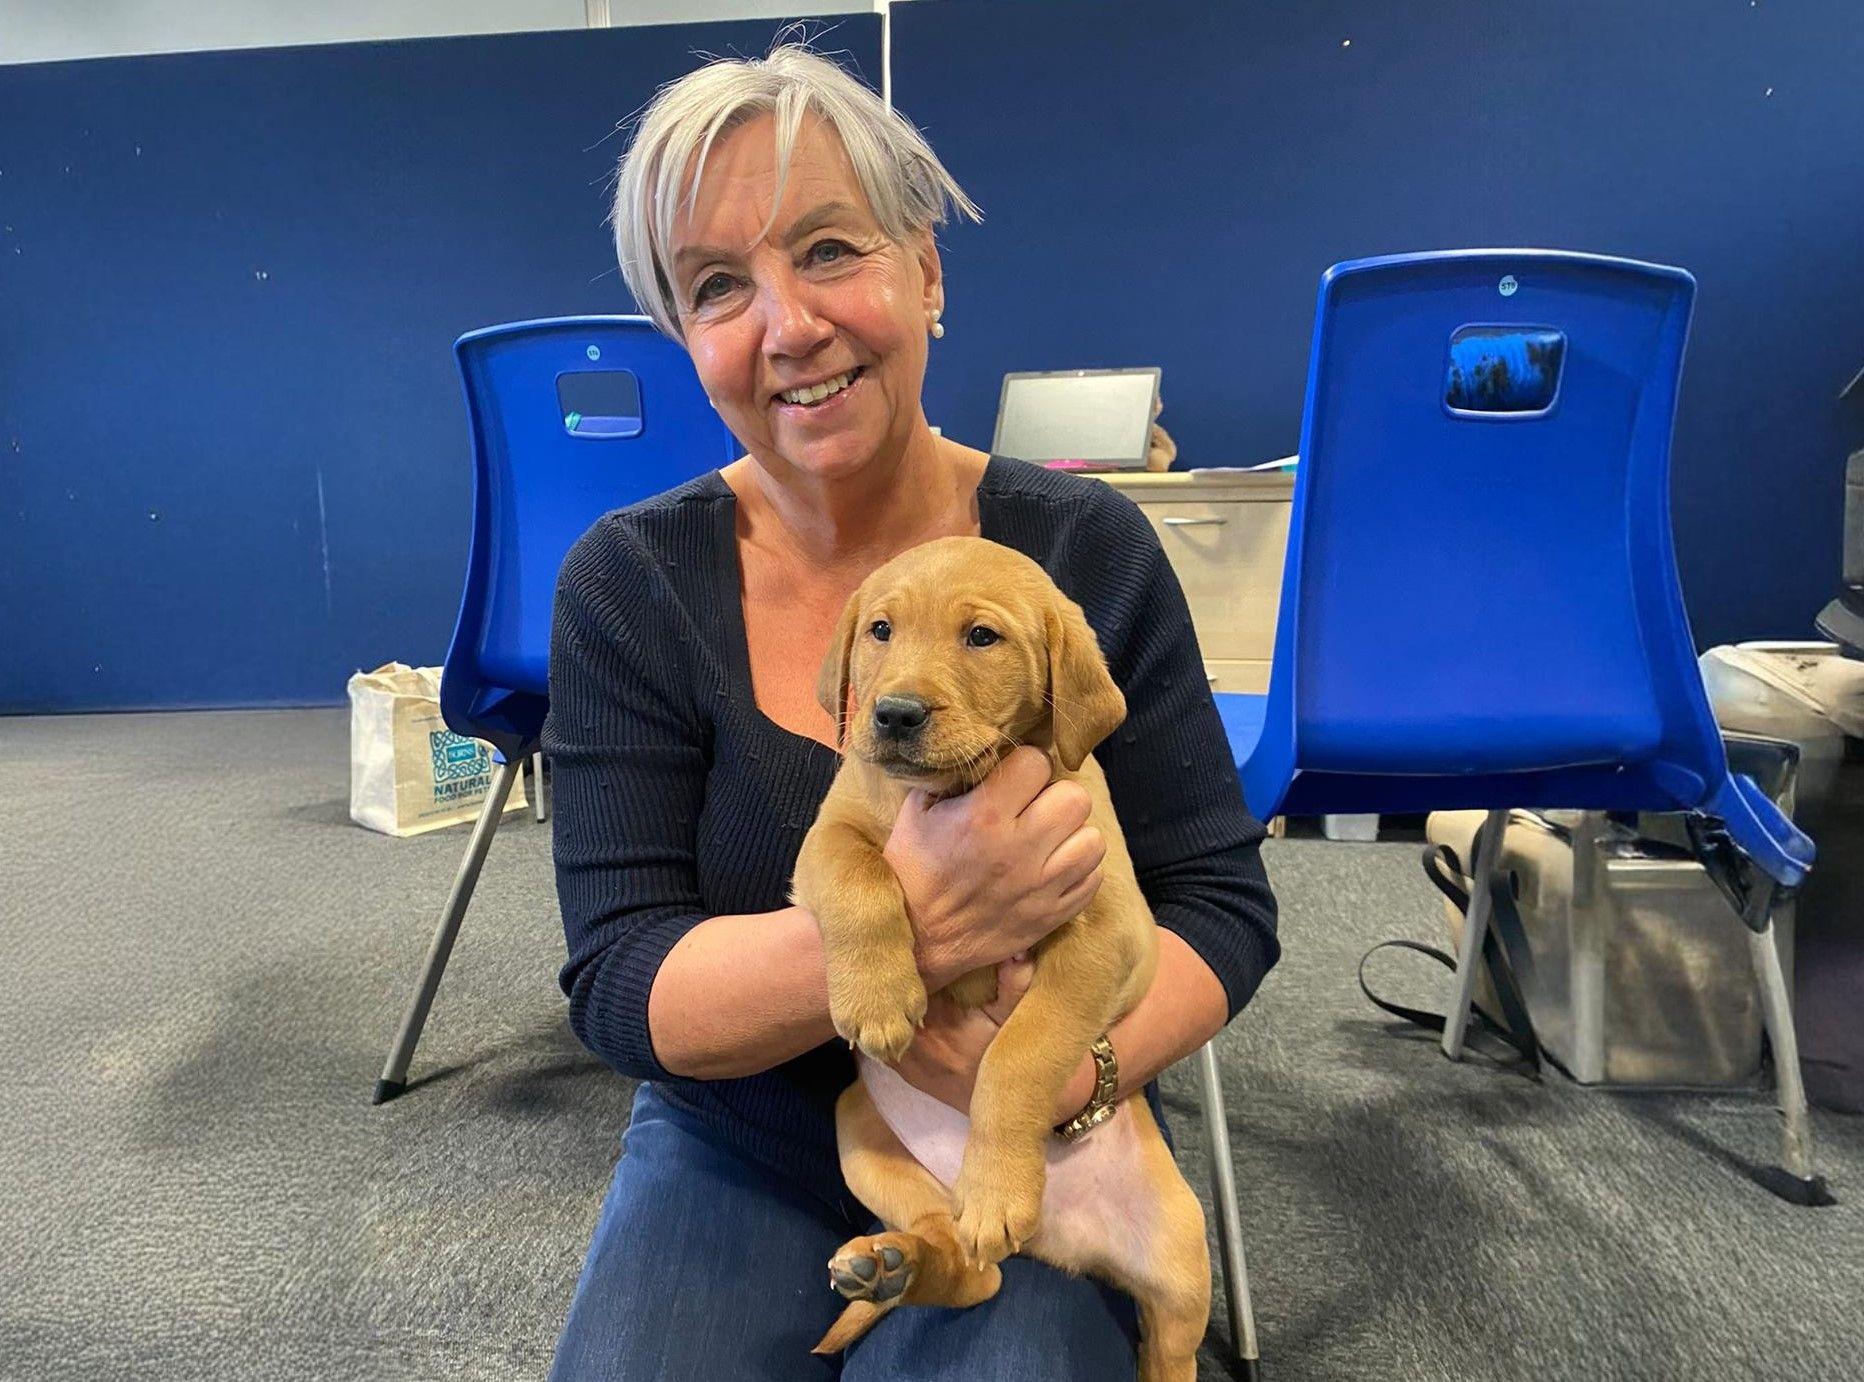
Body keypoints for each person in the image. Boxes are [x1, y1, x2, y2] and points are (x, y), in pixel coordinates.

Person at [542, 40, 1279, 1381]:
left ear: (926, 272)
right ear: (686, 341)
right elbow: (619, 978)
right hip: (747, 1130)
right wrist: (921, 921)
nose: (788, 325)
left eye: (829, 249)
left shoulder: (1086, 552)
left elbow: (1219, 902)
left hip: (1044, 1121)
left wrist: (1065, 1084)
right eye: (718, 287)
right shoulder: (630, 581)